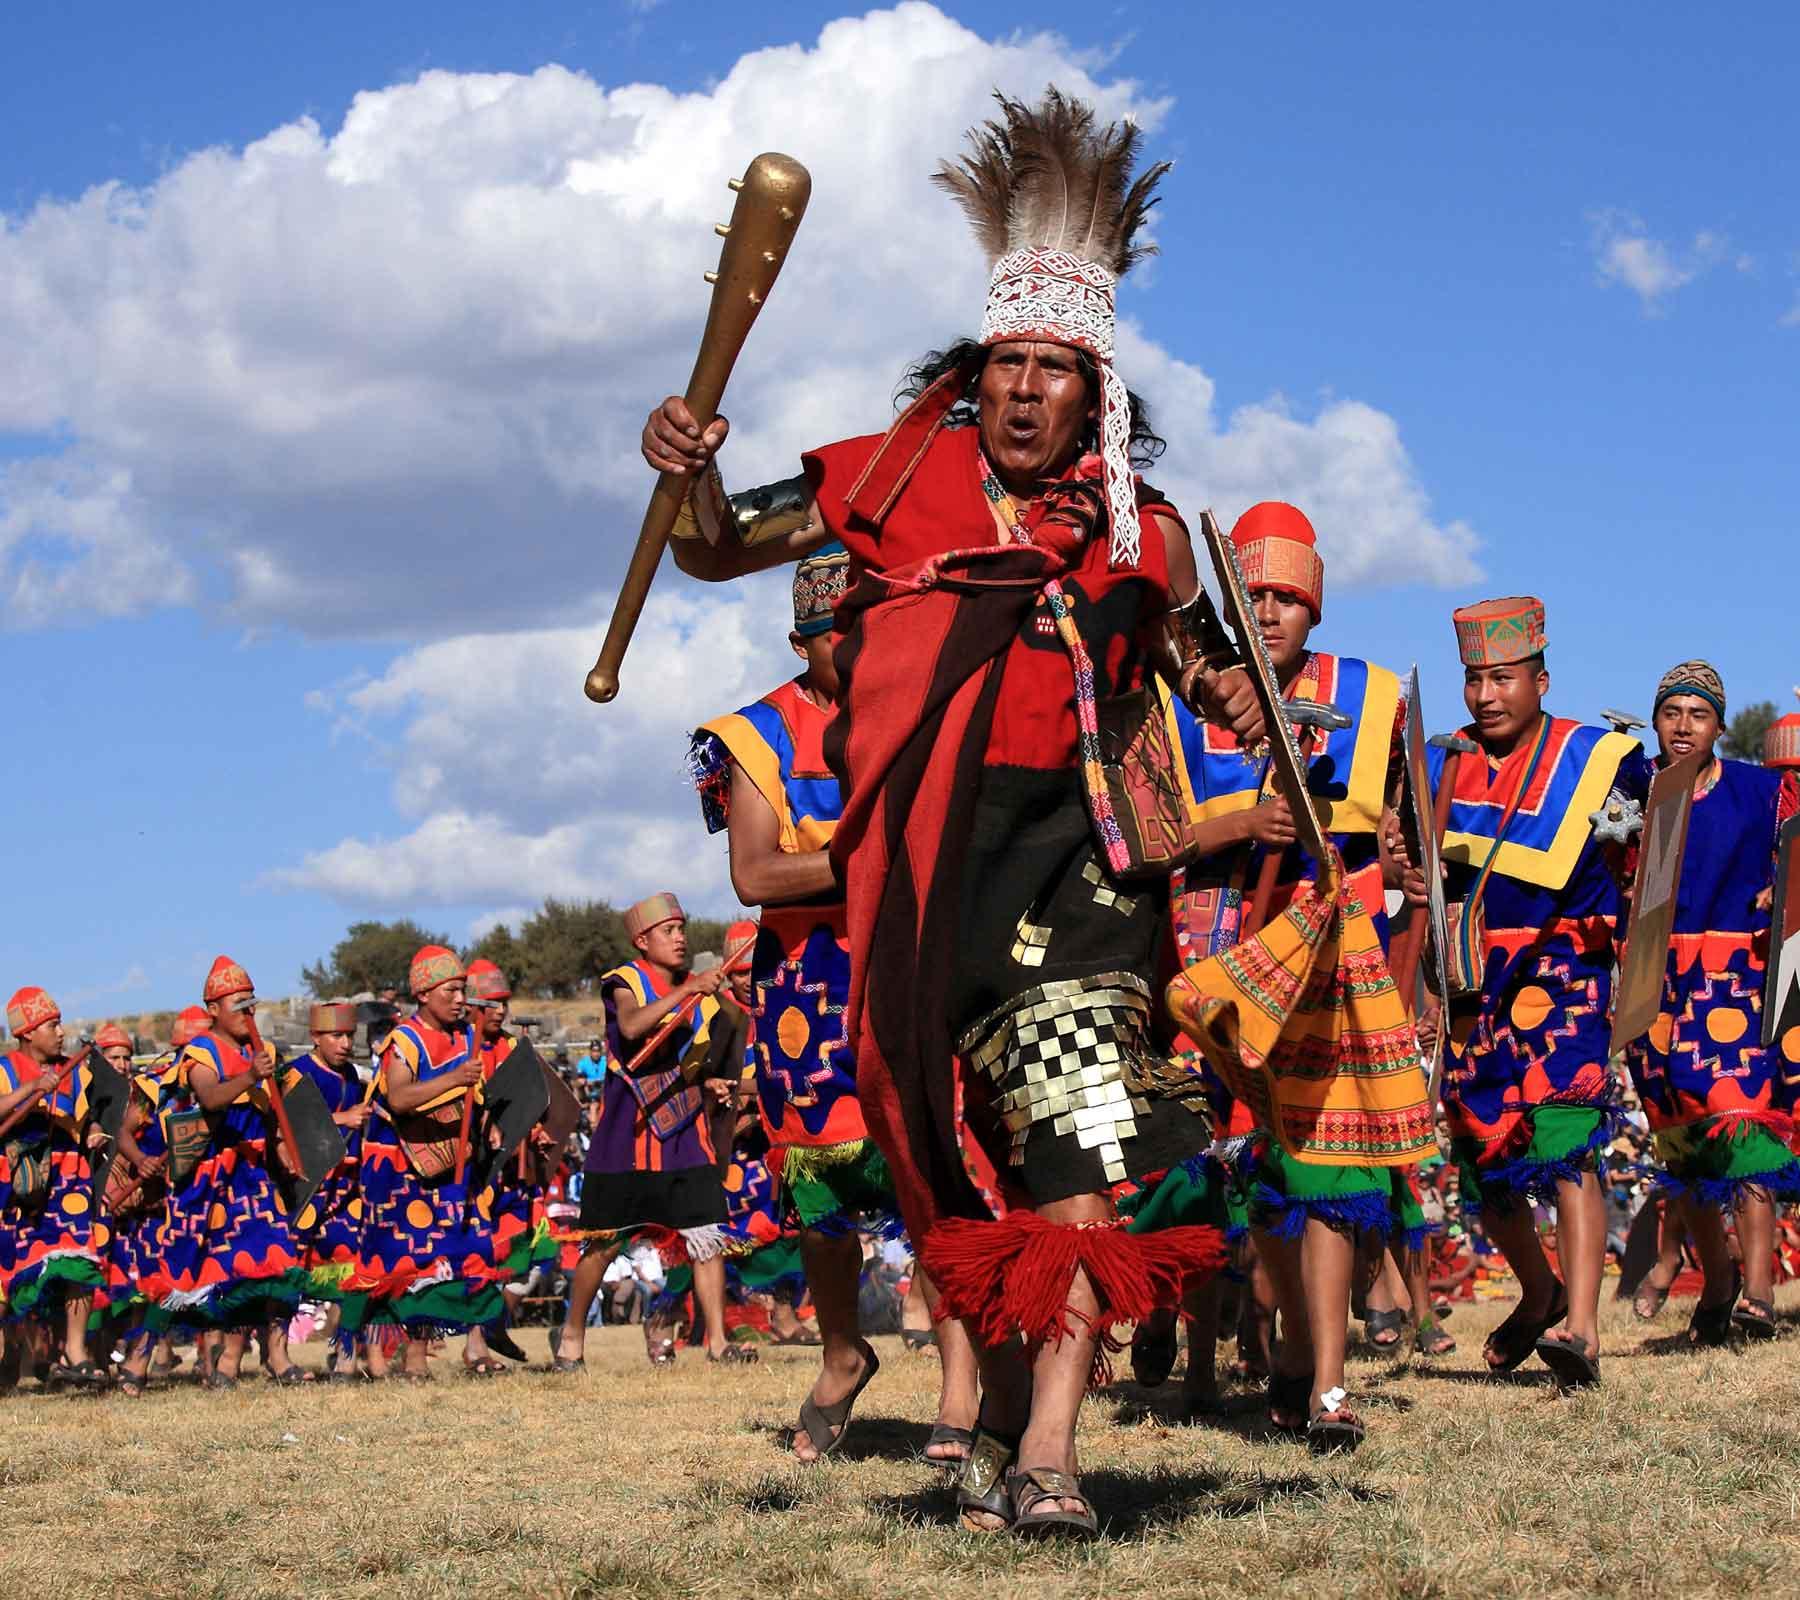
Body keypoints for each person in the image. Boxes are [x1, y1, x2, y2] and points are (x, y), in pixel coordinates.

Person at [645, 91, 1261, 1534]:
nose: (1027, 390)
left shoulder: (1142, 538)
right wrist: (689, 467)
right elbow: (721, 549)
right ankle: (977, 1410)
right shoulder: (887, 483)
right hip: (921, 872)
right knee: (947, 1146)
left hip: (1081, 866)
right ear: (971, 371)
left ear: (1094, 393)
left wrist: (1237, 704)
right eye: (1007, 364)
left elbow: (1203, 668)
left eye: (1056, 369)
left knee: (1081, 1137)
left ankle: (1053, 1445)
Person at [690, 546, 980, 1463]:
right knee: (819, 1183)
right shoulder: (752, 734)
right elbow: (754, 873)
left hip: (912, 963)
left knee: (933, 1167)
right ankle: (842, 1350)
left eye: (872, 633)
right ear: (799, 639)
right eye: (836, 639)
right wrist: (877, 857)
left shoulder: (921, 709)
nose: (856, 655)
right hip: (805, 988)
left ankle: (961, 1376)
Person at [1160, 502, 1431, 1447]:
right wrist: (1239, 826)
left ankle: (1325, 1385)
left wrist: (1396, 866)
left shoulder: (1369, 700)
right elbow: (1137, 837)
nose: (1271, 613)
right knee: (1239, 1171)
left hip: (1322, 966)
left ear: (1315, 608)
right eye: (1257, 596)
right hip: (1212, 967)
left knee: (1324, 1169)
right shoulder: (1177, 696)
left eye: (1289, 598)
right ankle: (1264, 1349)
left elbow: (1395, 841)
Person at [1433, 597, 1647, 1388]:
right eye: (1473, 679)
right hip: (1474, 981)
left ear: (1541, 679)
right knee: (1484, 1159)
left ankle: (1582, 1330)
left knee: (1566, 1141)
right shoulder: (1439, 761)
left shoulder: (1601, 760)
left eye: (1502, 678)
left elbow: (1642, 863)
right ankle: (1540, 1290)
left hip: (1565, 974)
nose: (1485, 695)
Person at [1621, 662, 1800, 1342]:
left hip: (1736, 978)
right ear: (1658, 720)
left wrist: (1785, 888)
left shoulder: (1761, 789)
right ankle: (1718, 1284)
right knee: (1684, 1142)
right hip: (1655, 985)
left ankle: (1757, 1294)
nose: (1684, 726)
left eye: (1699, 714)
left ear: (1721, 726)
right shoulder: (1637, 786)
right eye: (1672, 713)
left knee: (1743, 1124)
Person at [551, 895, 753, 1369]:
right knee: (604, 1243)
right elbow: (633, 1026)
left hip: (686, 1132)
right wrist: (688, 993)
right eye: (669, 930)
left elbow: (697, 1062)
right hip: (628, 1136)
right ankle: (572, 1337)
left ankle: (718, 1342)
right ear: (643, 941)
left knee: (706, 1237)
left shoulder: (707, 996)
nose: (680, 936)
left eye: (682, 927)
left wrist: (714, 1080)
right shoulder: (626, 981)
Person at [149, 958, 312, 1387]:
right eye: (239, 1004)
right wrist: (249, 1075)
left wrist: (287, 1151)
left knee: (274, 1263)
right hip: (215, 1176)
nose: (249, 1013)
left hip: (257, 1174)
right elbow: (211, 1097)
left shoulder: (265, 1052)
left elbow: (279, 1111)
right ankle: (191, 1362)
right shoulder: (201, 1051)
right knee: (211, 1271)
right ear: (213, 1008)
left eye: (252, 1003)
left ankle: (277, 1358)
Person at [347, 946, 503, 1381]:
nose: (459, 999)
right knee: (396, 1263)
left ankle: (416, 1360)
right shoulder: (406, 1040)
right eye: (450, 991)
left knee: (436, 1262)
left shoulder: (463, 1038)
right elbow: (399, 1097)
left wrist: (488, 1124)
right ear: (425, 995)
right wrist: (456, 1079)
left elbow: (474, 1098)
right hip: (398, 1168)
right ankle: (354, 1353)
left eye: (462, 991)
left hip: (447, 1165)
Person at [0, 987, 107, 1386]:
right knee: (15, 1272)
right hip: (16, 1181)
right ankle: (17, 1354)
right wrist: (31, 1091)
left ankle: (75, 1350)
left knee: (77, 1259)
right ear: (27, 1033)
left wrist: (93, 1130)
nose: (61, 1032)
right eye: (52, 1025)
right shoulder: (6, 1069)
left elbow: (87, 1115)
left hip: (68, 1176)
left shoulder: (75, 1069)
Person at [462, 958, 556, 1371]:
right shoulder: (460, 1047)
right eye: (492, 1002)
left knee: (532, 1255)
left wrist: (538, 1133)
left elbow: (527, 1108)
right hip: (477, 1175)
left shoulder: (513, 1050)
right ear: (472, 1006)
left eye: (504, 1002)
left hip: (516, 1174)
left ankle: (493, 1324)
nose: (500, 1010)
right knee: (481, 1259)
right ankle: (475, 1345)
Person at [284, 1001, 374, 1380]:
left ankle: (346, 1351)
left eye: (350, 1035)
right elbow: (284, 1125)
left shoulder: (354, 1076)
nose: (345, 1043)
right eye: (336, 1035)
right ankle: (273, 1355)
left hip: (347, 1189)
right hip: (304, 1188)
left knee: (357, 1266)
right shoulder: (294, 1074)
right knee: (283, 1270)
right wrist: (341, 1118)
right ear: (315, 1038)